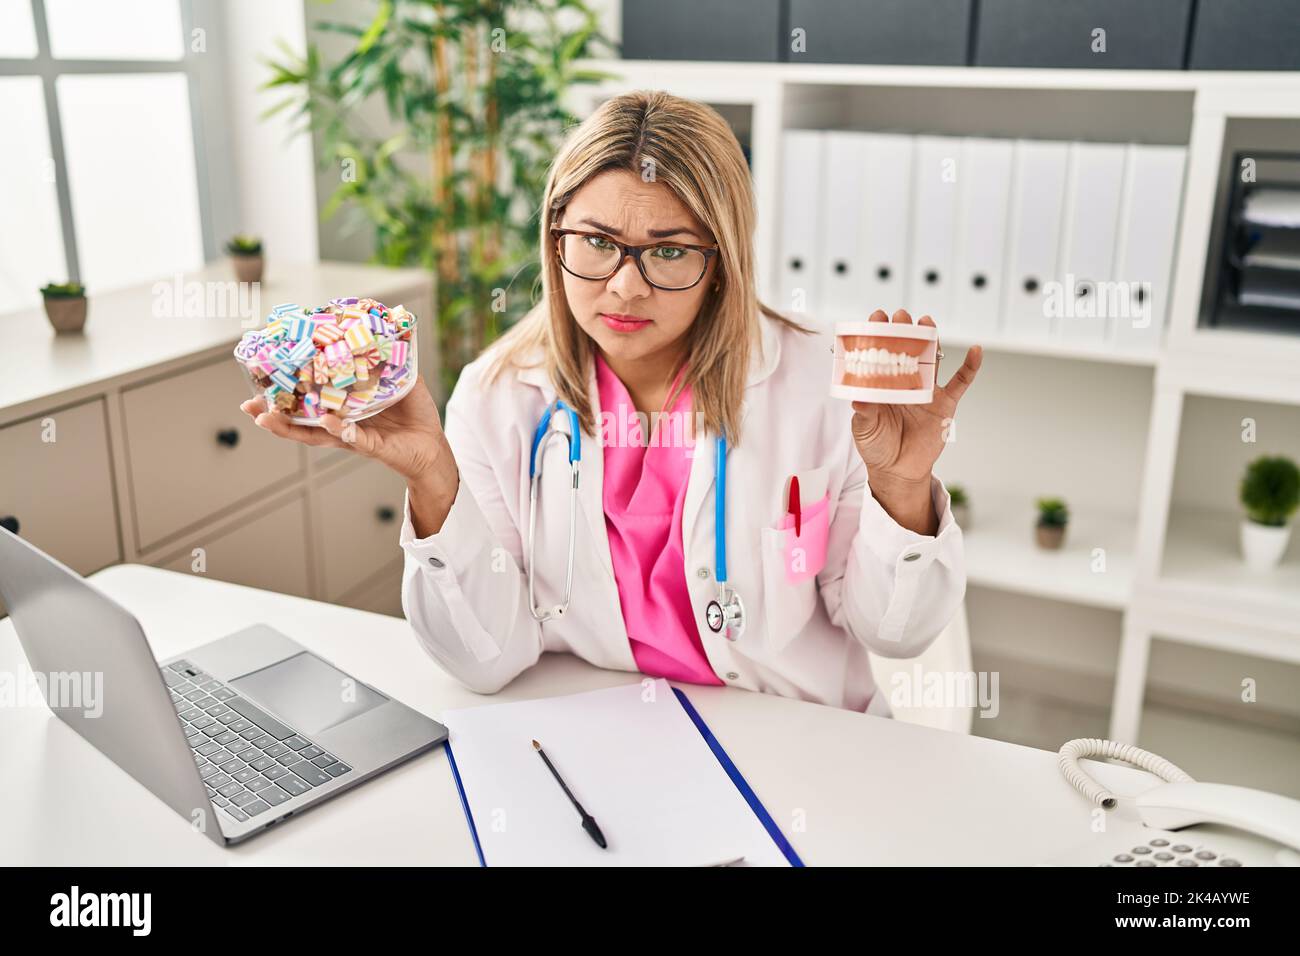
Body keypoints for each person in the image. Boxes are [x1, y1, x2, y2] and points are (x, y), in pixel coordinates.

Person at [243, 90, 982, 713]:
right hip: (595, 737)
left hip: (794, 737)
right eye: (596, 241)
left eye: (668, 251)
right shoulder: (499, 397)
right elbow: (485, 661)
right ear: (554, 237)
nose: (625, 287)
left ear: (722, 261)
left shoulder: (817, 380)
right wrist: (435, 481)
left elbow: (894, 633)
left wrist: (902, 489)